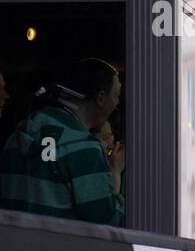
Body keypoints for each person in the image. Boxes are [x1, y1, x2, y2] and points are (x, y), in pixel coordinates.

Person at [0, 58, 126, 225]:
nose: (117, 104)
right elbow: (109, 224)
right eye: (116, 96)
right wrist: (115, 172)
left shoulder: (17, 136)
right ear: (101, 98)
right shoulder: (83, 147)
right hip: (58, 250)